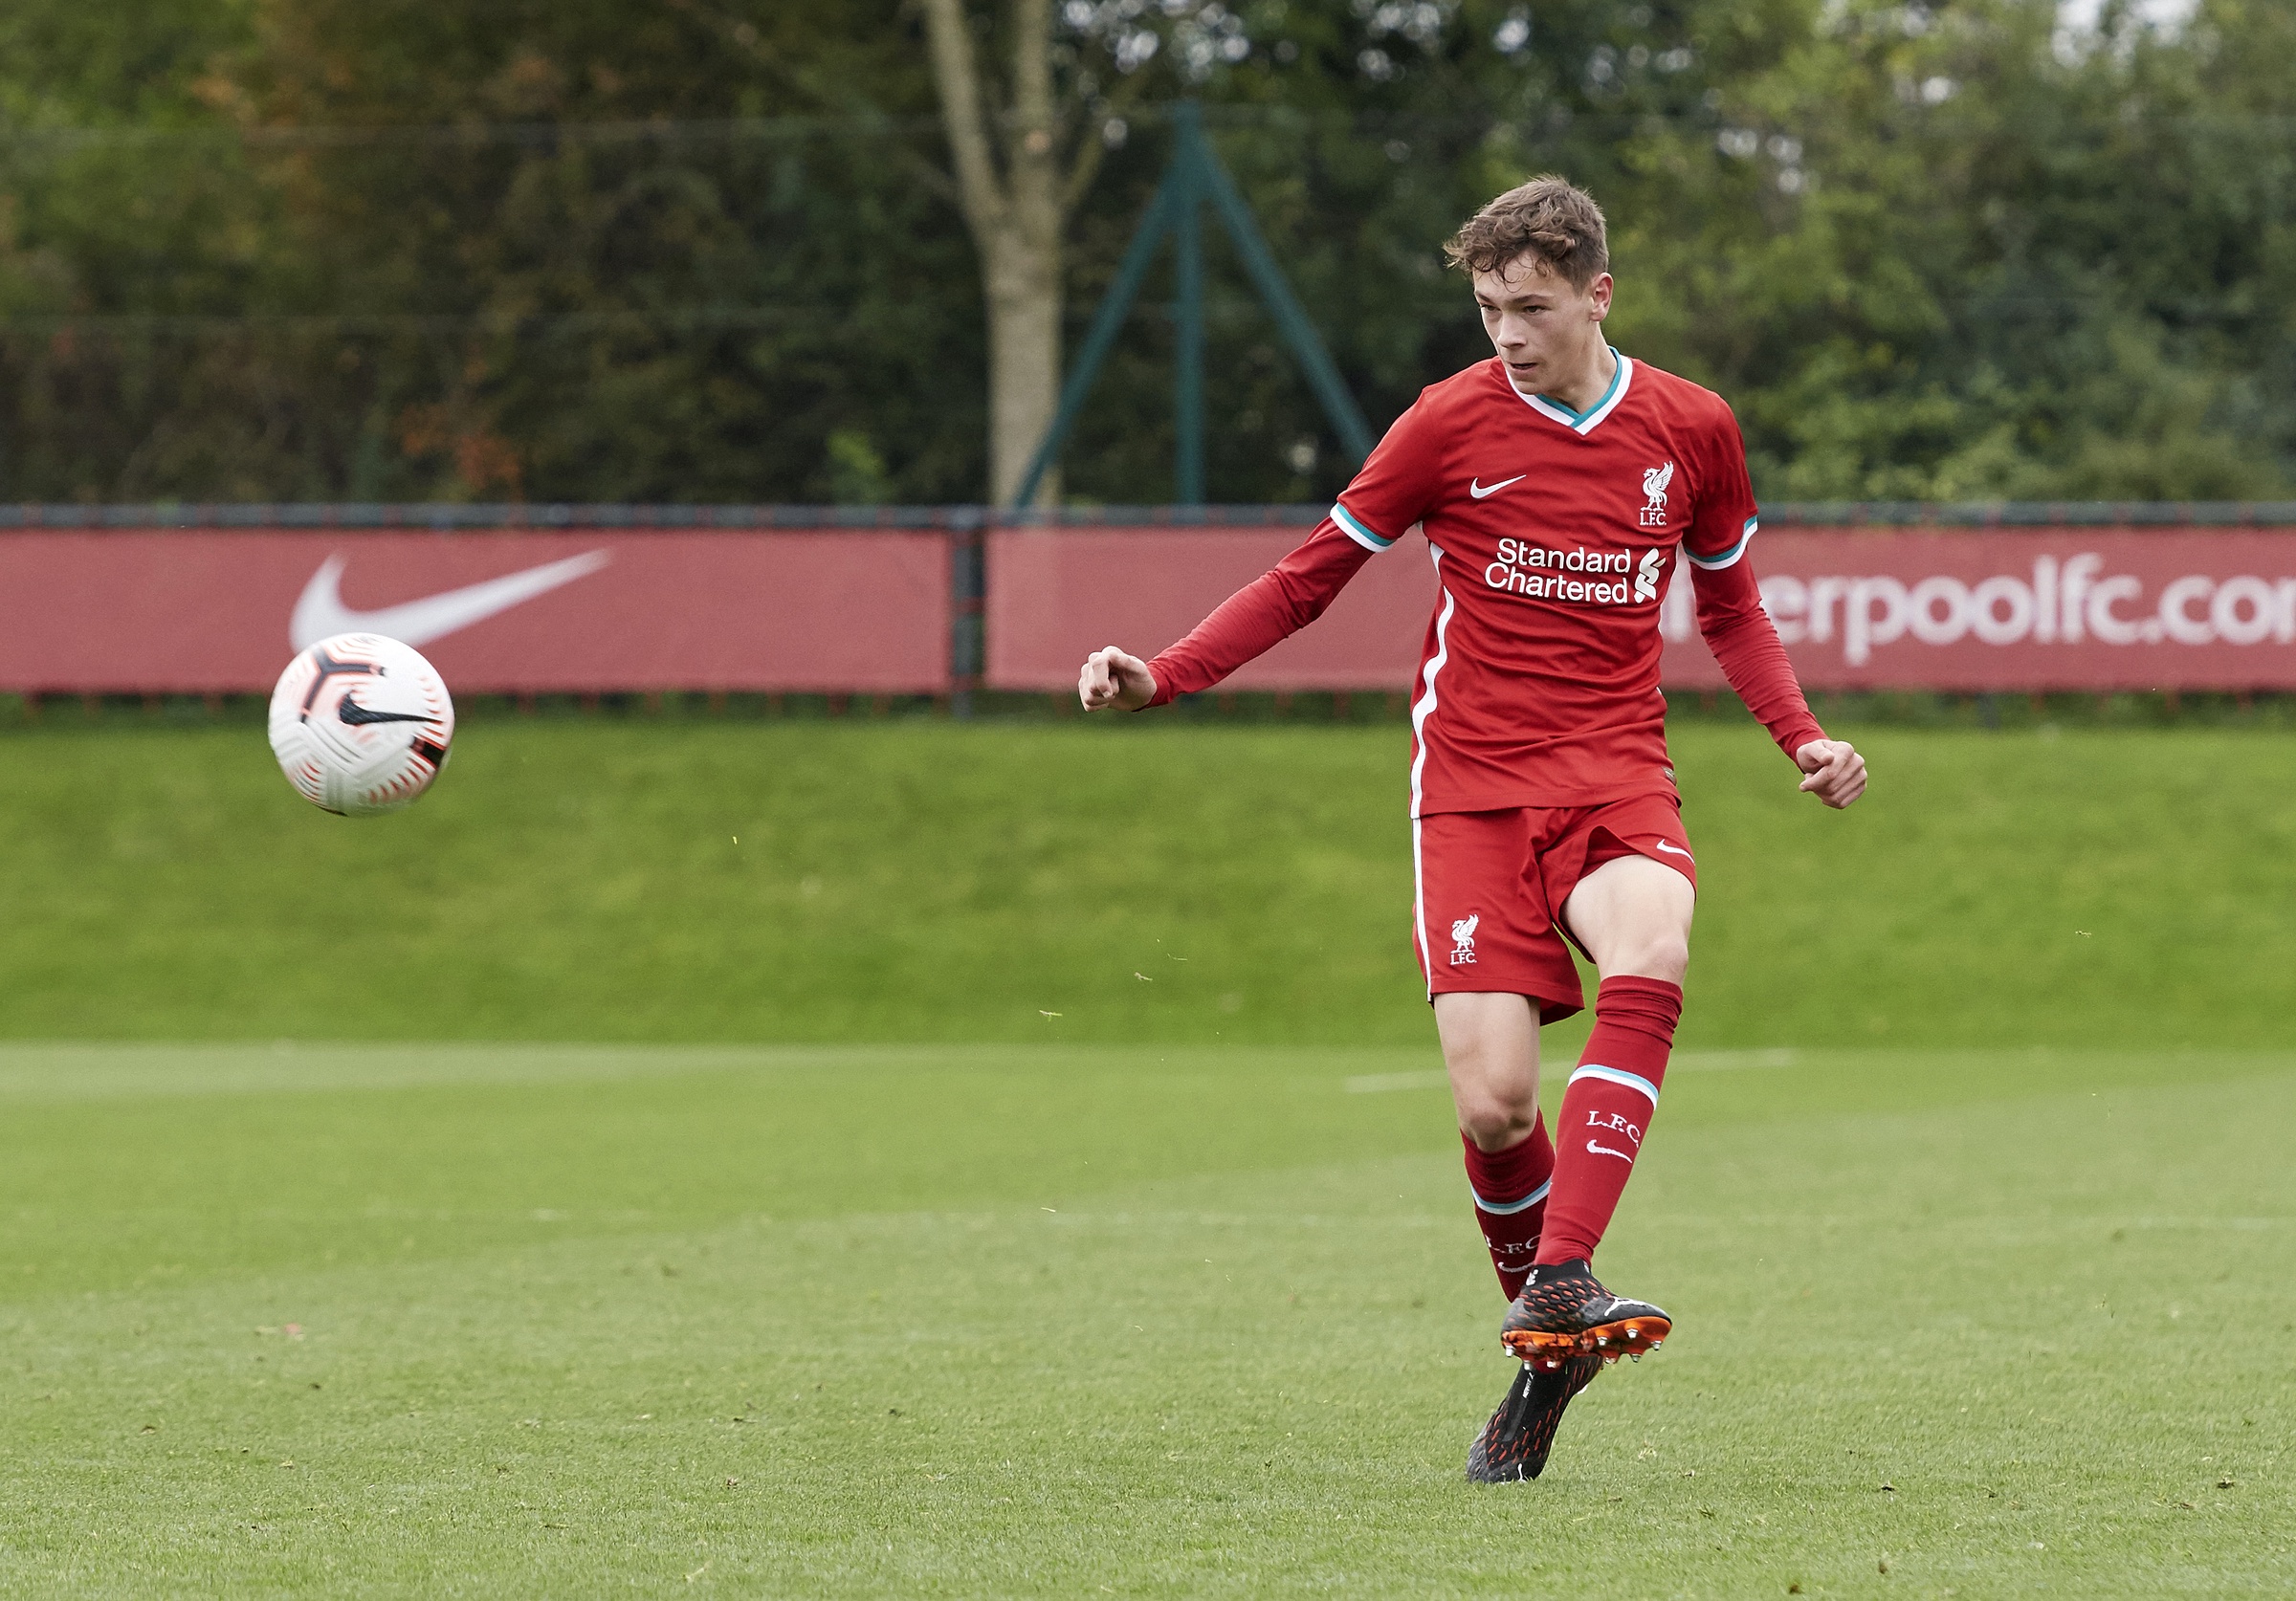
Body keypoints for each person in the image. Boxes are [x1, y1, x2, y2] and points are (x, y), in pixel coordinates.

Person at [1077, 175, 1866, 1481]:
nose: (1507, 332)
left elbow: (1729, 607)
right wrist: (1161, 674)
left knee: (1654, 941)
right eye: (1491, 306)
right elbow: (1305, 580)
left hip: (1618, 772)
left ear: (1599, 293)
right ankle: (1544, 1360)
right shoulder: (1448, 424)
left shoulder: (1692, 429)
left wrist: (1804, 737)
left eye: (1534, 308)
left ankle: (1562, 1274)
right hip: (1473, 787)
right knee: (1498, 1103)